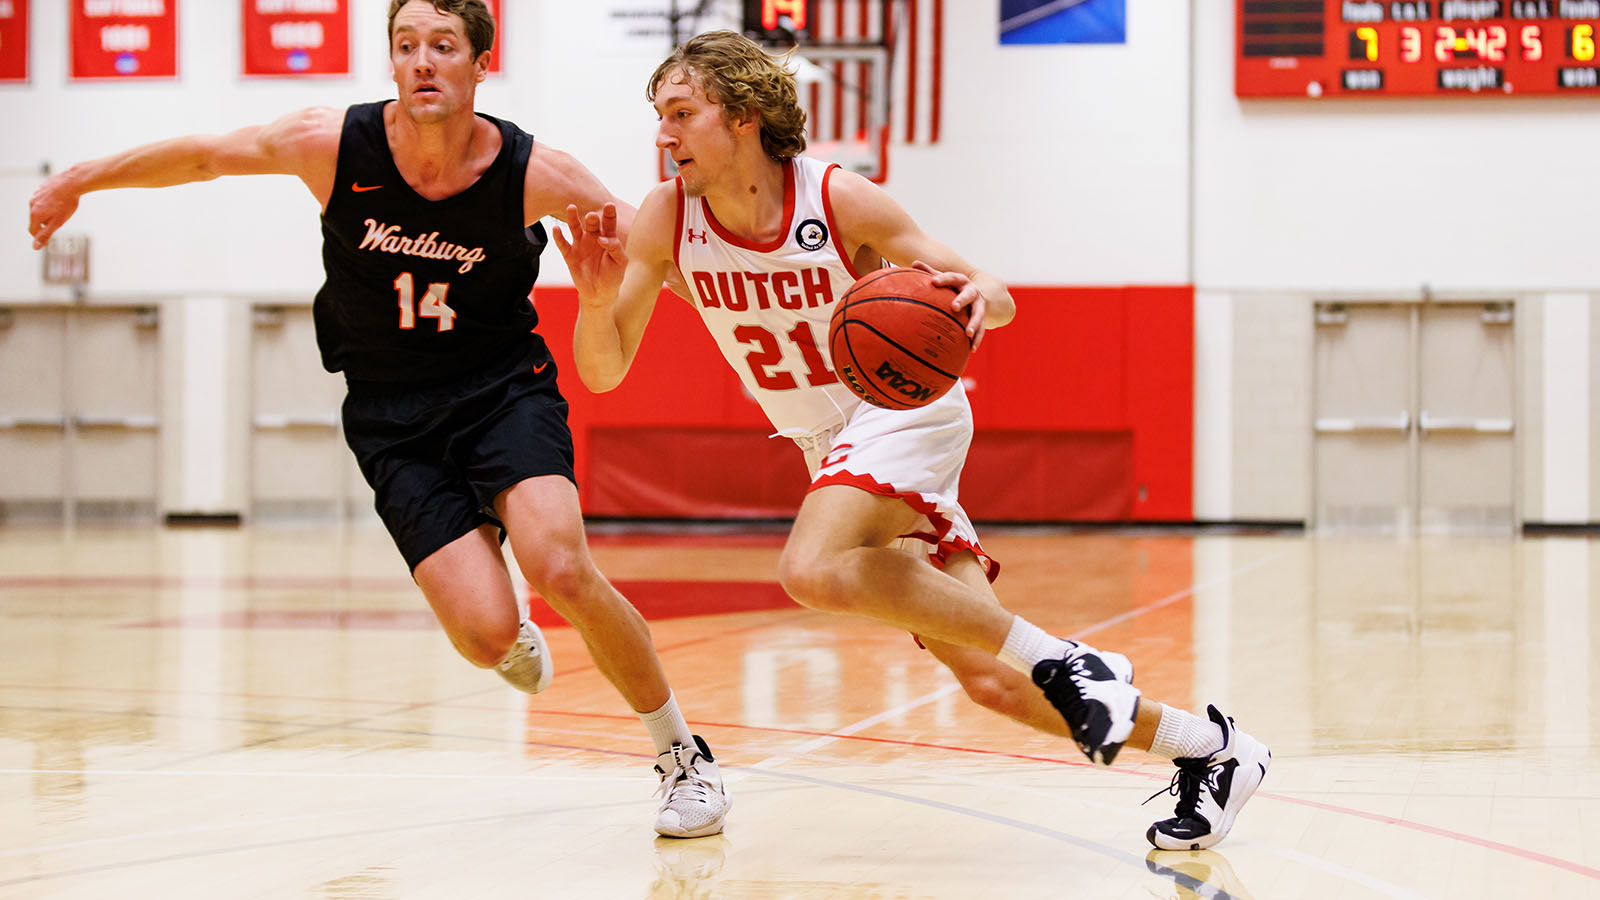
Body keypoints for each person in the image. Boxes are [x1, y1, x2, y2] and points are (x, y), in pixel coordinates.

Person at [27, 0, 728, 839]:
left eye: (443, 45)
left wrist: (771, 310)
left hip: (503, 390)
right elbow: (206, 156)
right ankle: (506, 632)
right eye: (406, 45)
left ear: (480, 64)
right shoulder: (331, 145)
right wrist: (78, 178)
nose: (423, 60)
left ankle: (682, 756)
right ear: (391, 62)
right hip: (393, 416)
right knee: (484, 636)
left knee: (560, 566)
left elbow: (658, 257)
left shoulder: (537, 173)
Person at [555, 29, 1268, 850]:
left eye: (682, 113)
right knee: (992, 682)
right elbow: (602, 373)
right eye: (660, 115)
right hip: (828, 448)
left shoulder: (838, 199)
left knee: (810, 567)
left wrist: (979, 298)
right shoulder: (667, 216)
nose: (663, 133)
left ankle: (1063, 655)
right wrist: (594, 303)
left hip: (901, 409)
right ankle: (1211, 749)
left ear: (743, 115)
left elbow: (993, 292)